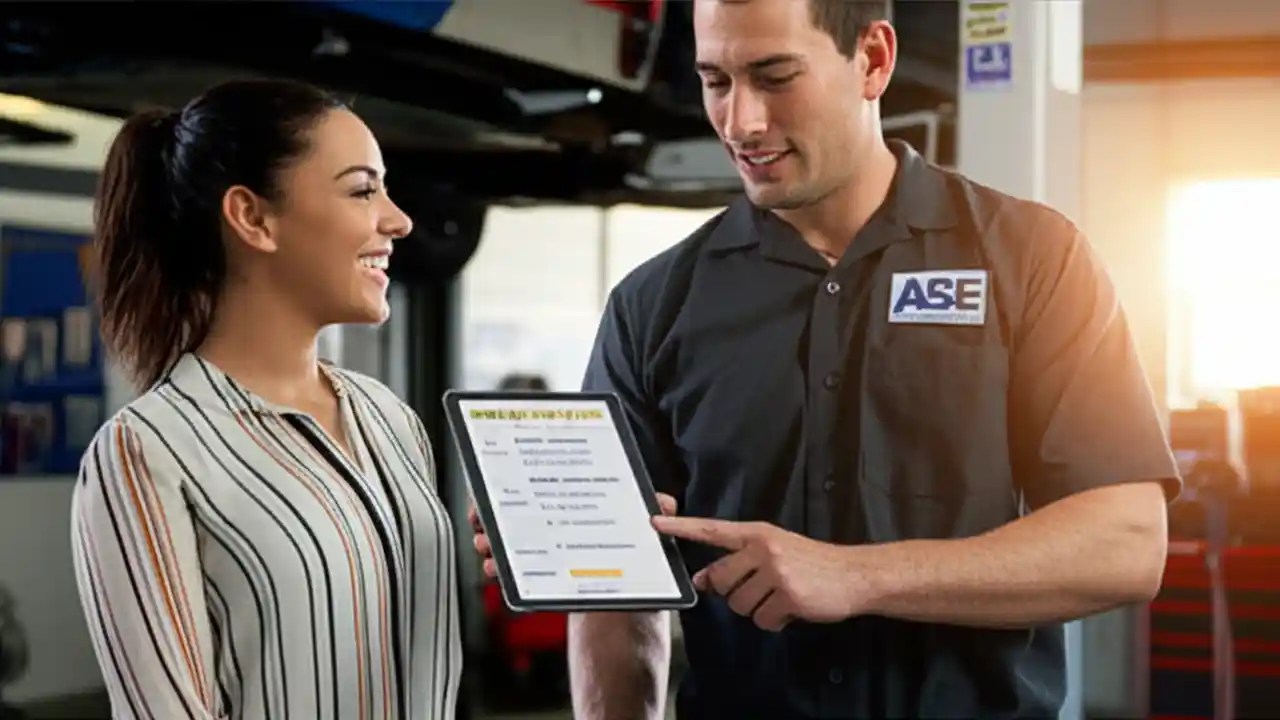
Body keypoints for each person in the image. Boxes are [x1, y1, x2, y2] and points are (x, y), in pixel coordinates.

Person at [471, 0, 1182, 718]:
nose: (741, 121)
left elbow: (1125, 542)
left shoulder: (1030, 260)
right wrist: (564, 542)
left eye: (775, 76)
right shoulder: (653, 306)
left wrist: (858, 577)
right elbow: (616, 602)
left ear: (872, 59)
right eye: (716, 80)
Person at [71, 79, 461, 720]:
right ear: (253, 217)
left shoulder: (391, 420)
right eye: (363, 190)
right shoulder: (147, 450)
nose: (399, 220)